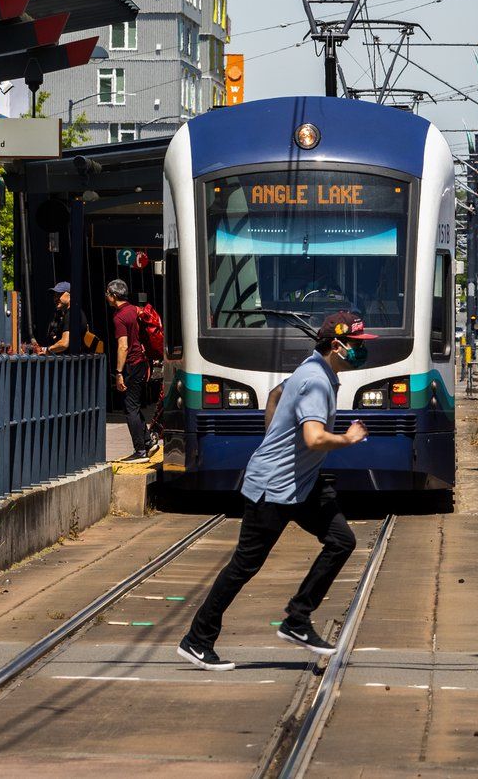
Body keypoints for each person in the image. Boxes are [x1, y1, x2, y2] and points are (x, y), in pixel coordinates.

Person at [177, 310, 374, 671]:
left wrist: (273, 441)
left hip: (301, 484)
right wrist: (349, 438)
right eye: (357, 345)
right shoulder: (316, 380)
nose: (362, 351)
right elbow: (313, 438)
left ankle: (297, 619)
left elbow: (274, 394)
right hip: (273, 488)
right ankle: (197, 639)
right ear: (336, 345)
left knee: (341, 540)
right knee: (244, 565)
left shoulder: (313, 370)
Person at [106, 279, 152, 459]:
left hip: (131, 364)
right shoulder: (135, 310)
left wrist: (118, 373)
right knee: (134, 404)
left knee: (130, 408)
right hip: (142, 362)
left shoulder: (119, 317)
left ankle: (140, 450)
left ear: (114, 296)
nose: (106, 297)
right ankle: (148, 441)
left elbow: (123, 346)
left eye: (107, 293)